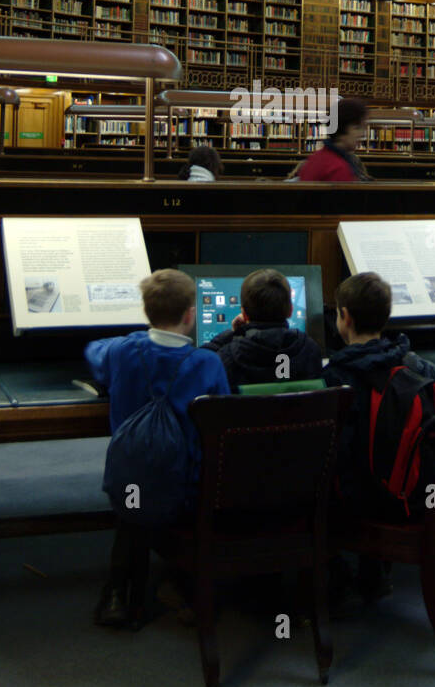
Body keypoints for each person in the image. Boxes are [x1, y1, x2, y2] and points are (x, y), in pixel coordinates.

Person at [85, 268, 229, 627]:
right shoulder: (207, 362)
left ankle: (118, 596)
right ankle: (181, 583)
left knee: (133, 511)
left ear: (146, 311)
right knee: (167, 496)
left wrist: (133, 337)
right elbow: (224, 414)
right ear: (190, 315)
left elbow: (93, 351)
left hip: (129, 483)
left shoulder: (122, 352)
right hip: (186, 487)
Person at [323, 271, 435, 600]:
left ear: (344, 317)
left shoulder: (336, 375)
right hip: (411, 494)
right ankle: (374, 572)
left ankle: (335, 581)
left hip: (360, 500)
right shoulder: (414, 365)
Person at [204, 268, 322, 391]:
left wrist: (234, 333)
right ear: (291, 310)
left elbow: (200, 362)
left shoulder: (227, 357)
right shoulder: (309, 350)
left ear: (244, 314)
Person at [297, 98, 370, 182]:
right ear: (341, 129)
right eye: (356, 128)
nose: (362, 134)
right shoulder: (338, 169)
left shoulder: (314, 159)